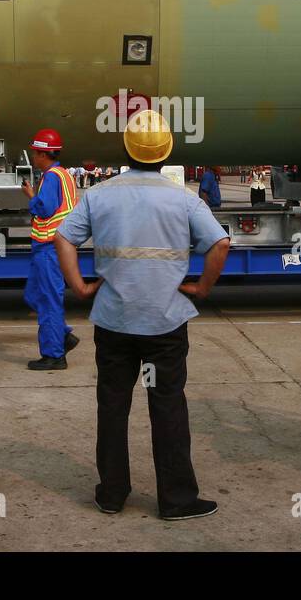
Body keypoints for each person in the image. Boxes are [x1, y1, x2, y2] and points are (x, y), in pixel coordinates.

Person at [55, 109, 229, 520]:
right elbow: (220, 245)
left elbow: (63, 238)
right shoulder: (183, 199)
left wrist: (80, 287)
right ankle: (177, 499)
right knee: (167, 405)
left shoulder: (99, 195)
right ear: (166, 152)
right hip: (164, 322)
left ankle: (112, 494)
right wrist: (202, 288)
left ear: (126, 150)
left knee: (113, 406)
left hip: (114, 322)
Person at [21, 128, 80, 371]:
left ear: (42, 154)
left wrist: (30, 195)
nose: (34, 158)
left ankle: (54, 355)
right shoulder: (62, 174)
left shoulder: (51, 177)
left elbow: (44, 208)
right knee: (34, 296)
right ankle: (62, 336)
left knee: (47, 301)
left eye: (35, 153)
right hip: (50, 248)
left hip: (49, 248)